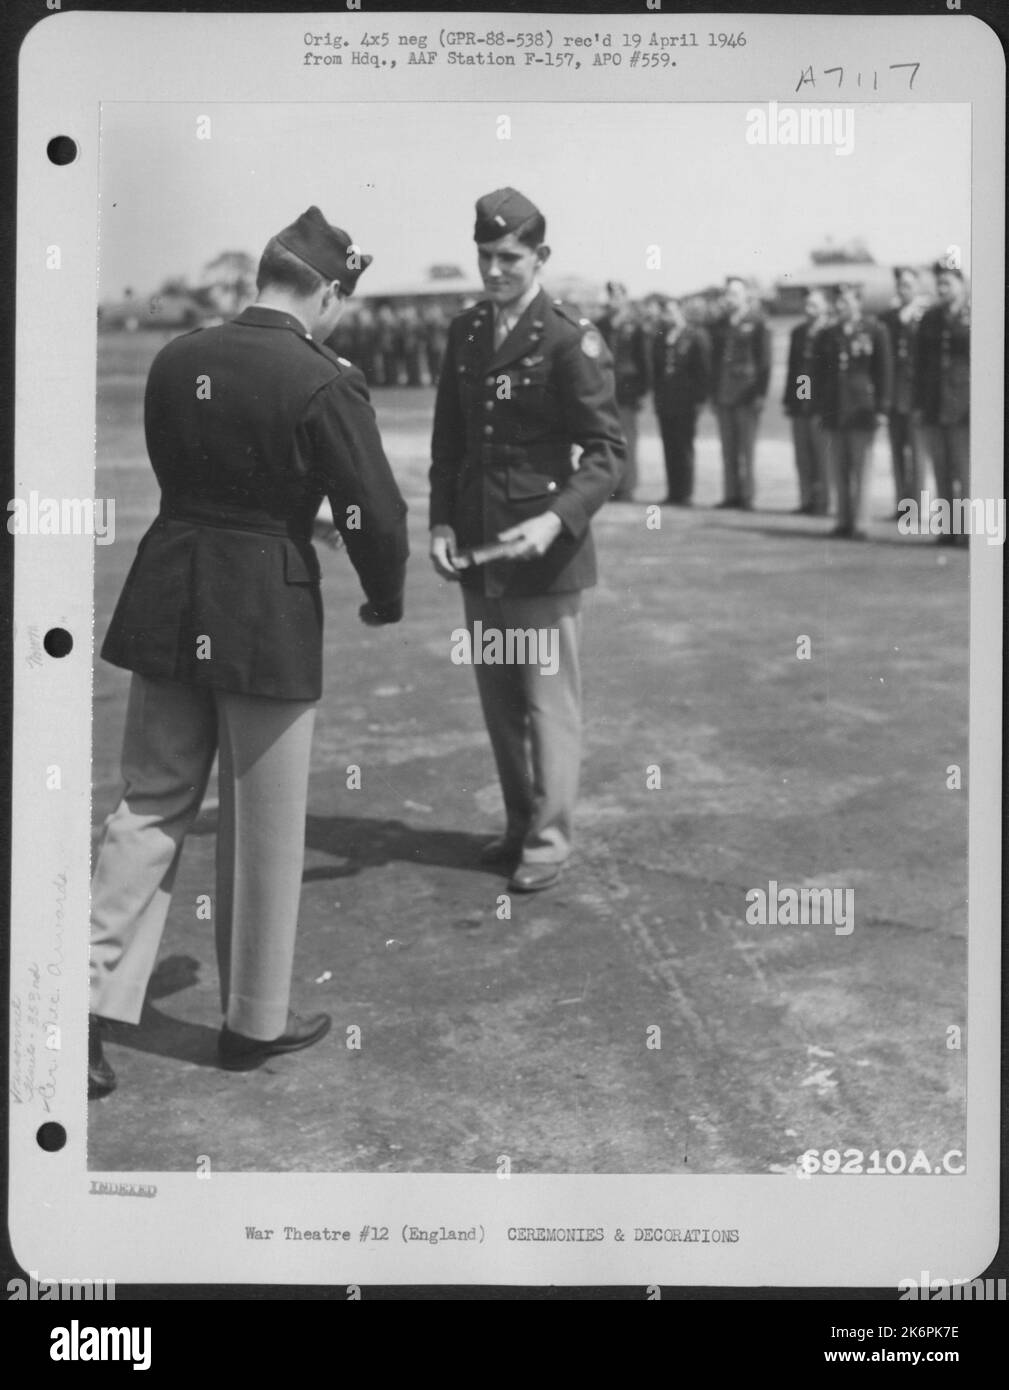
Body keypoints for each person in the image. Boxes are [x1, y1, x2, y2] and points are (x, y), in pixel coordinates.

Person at [88, 207, 409, 1097]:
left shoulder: (179, 354)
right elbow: (375, 515)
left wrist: (281, 511)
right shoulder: (325, 378)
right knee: (263, 826)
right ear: (330, 292)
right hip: (264, 612)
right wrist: (383, 595)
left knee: (148, 804)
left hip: (170, 588)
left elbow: (198, 479)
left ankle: (77, 1013)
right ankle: (251, 1023)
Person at [428, 187, 624, 893]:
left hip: (545, 556)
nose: (493, 271)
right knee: (498, 700)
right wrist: (441, 521)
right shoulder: (467, 332)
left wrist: (556, 517)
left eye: (508, 258)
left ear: (540, 256)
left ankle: (547, 837)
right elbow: (449, 440)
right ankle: (517, 823)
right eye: (484, 257)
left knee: (546, 703)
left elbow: (607, 453)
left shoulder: (571, 337)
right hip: (480, 551)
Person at [813, 282, 892, 540]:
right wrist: (813, 405)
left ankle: (860, 522)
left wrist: (882, 408)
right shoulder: (827, 334)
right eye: (838, 302)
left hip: (862, 410)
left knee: (862, 468)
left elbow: (884, 372)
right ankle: (842, 520)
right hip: (834, 408)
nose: (840, 306)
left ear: (858, 303)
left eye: (845, 301)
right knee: (839, 468)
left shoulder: (874, 330)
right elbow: (814, 375)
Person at [914, 265, 970, 546]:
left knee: (966, 470)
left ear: (961, 283)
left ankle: (970, 531)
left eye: (947, 283)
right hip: (934, 404)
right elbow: (919, 364)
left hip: (965, 407)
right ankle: (949, 528)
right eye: (940, 284)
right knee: (942, 470)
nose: (942, 288)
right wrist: (918, 404)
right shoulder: (930, 318)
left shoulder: (977, 314)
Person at [710, 276, 770, 509]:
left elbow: (764, 362)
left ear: (746, 295)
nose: (730, 298)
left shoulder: (757, 321)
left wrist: (761, 394)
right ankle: (730, 494)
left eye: (735, 293)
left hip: (747, 394)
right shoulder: (721, 323)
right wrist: (713, 395)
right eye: (728, 293)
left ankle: (748, 496)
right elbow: (714, 363)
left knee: (747, 449)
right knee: (728, 449)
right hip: (724, 394)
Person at [650, 296, 711, 505]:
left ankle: (685, 493)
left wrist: (700, 399)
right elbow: (657, 371)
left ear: (681, 312)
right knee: (669, 447)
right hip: (665, 401)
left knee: (684, 447)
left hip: (686, 402)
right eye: (665, 312)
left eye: (672, 311)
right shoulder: (661, 336)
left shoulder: (695, 335)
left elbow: (703, 371)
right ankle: (672, 492)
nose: (669, 316)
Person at [596, 281, 649, 500]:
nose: (614, 299)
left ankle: (628, 487)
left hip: (629, 391)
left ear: (625, 297)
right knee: (608, 440)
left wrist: (643, 391)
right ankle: (611, 485)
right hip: (606, 391)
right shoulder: (601, 324)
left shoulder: (635, 325)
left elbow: (645, 361)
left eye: (618, 295)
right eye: (611, 295)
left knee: (629, 441)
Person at [881, 267, 926, 517]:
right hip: (894, 395)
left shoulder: (925, 316)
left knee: (917, 454)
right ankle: (901, 504)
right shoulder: (888, 317)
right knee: (897, 453)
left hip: (916, 396)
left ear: (917, 287)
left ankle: (916, 508)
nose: (903, 288)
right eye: (900, 284)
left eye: (908, 284)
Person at [782, 286, 832, 515]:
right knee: (802, 455)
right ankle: (806, 499)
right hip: (802, 400)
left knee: (821, 455)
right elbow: (794, 369)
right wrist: (791, 399)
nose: (808, 309)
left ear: (825, 307)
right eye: (807, 304)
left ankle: (823, 502)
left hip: (821, 403)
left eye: (814, 304)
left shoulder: (830, 332)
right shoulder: (798, 332)